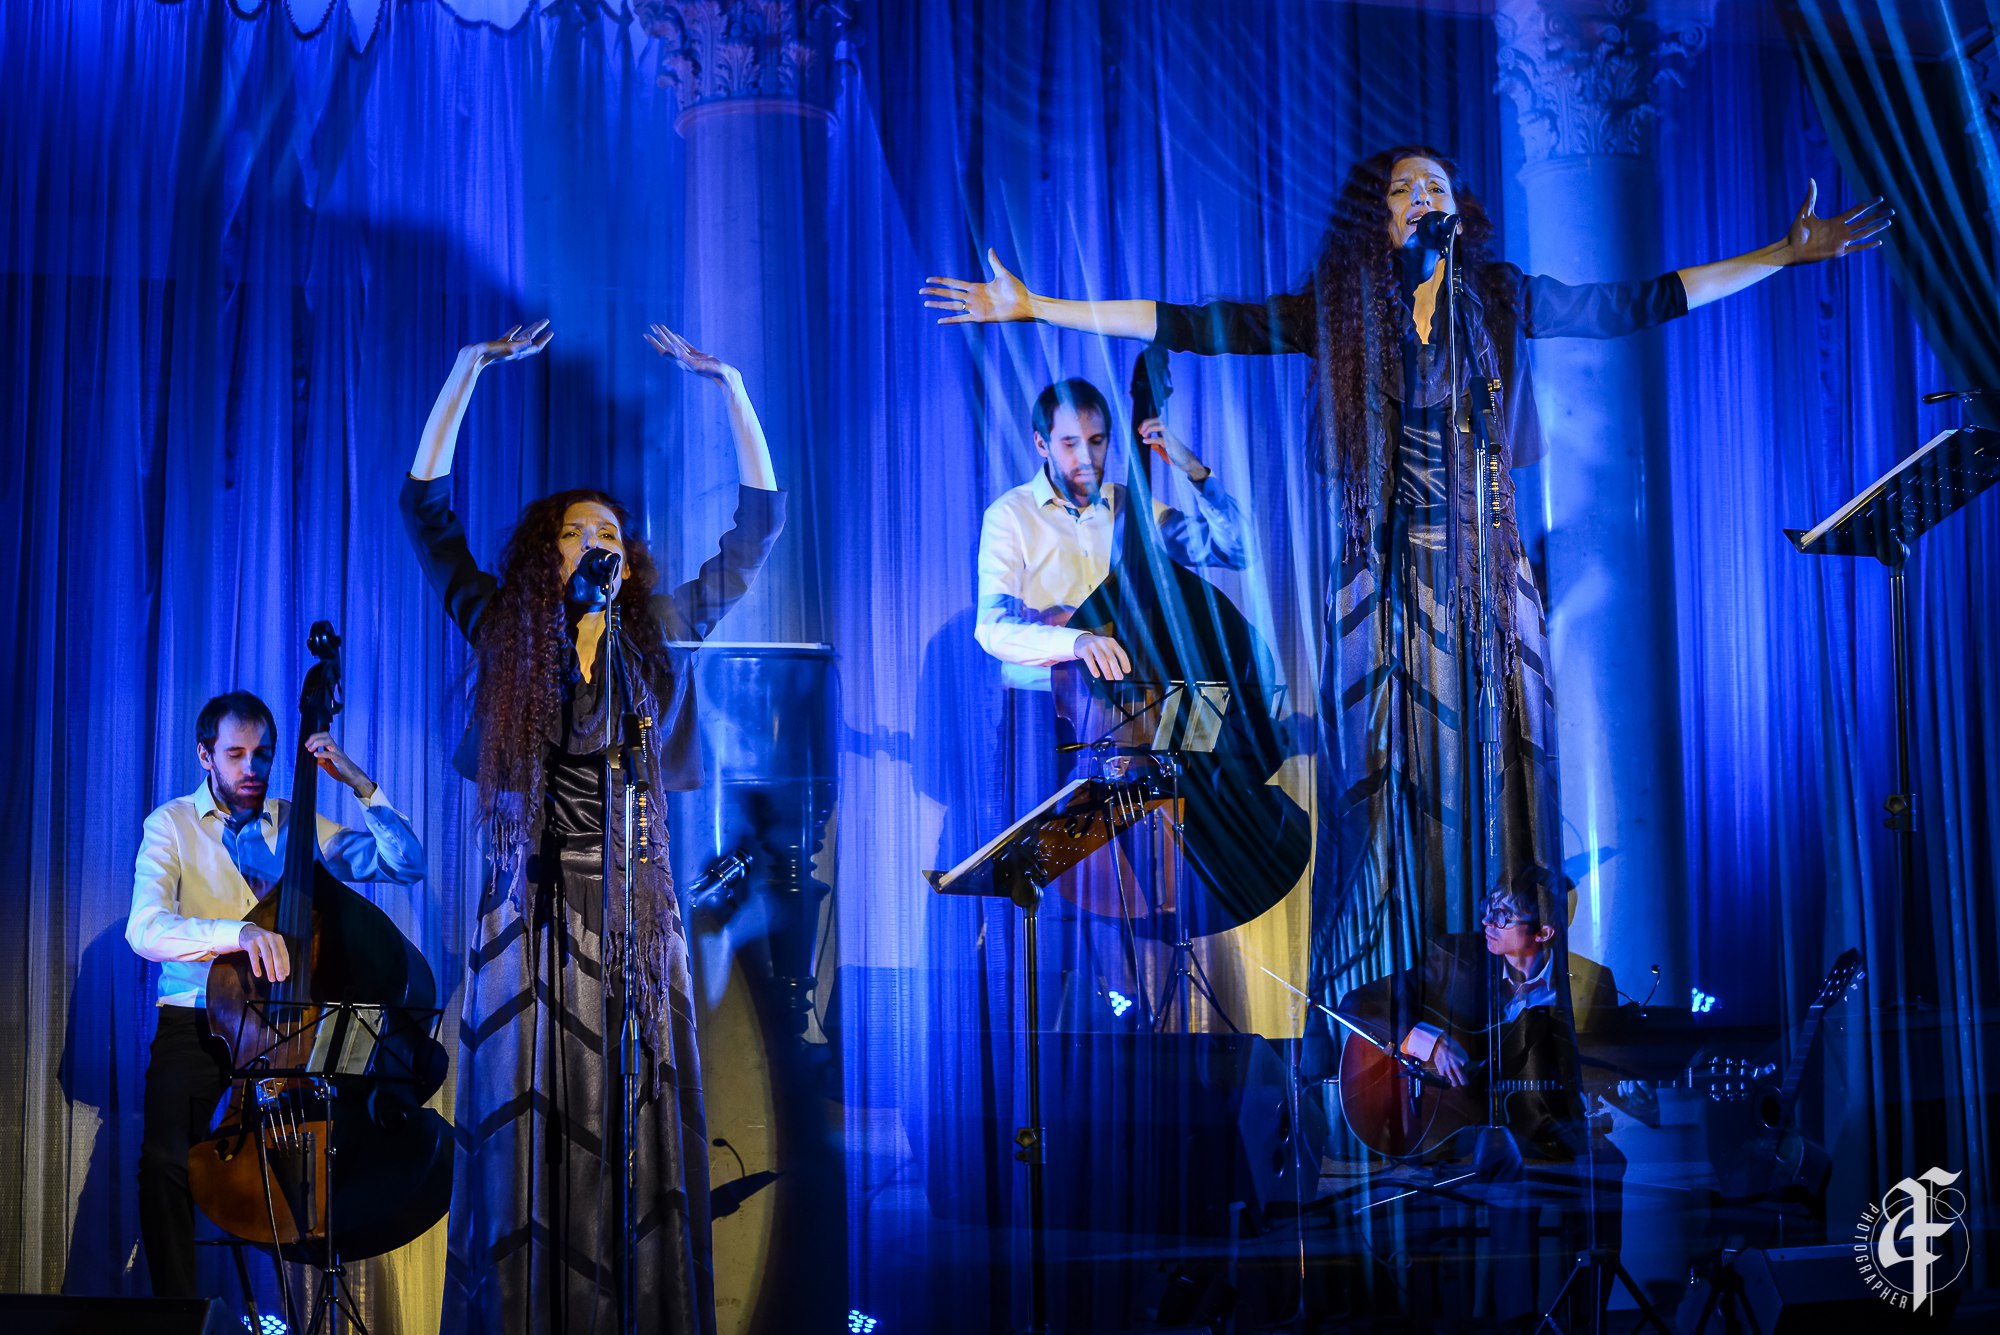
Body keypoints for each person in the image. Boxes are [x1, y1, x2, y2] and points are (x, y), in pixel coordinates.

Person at [923, 146, 1890, 1073]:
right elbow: (1192, 320)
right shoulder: (1339, 317)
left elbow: (1635, 302)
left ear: (1458, 210)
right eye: (1403, 189)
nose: (1424, 196)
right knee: (1388, 801)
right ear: (1375, 222)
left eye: (1436, 185)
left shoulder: (1500, 298)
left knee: (1500, 785)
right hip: (1383, 594)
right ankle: (1378, 1031)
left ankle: (1509, 1031)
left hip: (1487, 584)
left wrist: (1780, 254)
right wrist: (1036, 305)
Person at [402, 319, 781, 1335]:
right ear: (547, 552)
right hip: (527, 912)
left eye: (610, 532)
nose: (598, 541)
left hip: (632, 912)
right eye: (579, 530)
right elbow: (425, 512)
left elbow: (756, 529)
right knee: (529, 1137)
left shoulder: (656, 637)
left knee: (632, 1127)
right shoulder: (506, 627)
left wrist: (734, 389)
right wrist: (465, 369)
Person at [126, 690, 425, 1298]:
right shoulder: (171, 825)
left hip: (289, 1027)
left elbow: (405, 865)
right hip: (198, 1020)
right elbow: (144, 929)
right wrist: (235, 934)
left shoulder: (297, 823)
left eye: (263, 754)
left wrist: (361, 784)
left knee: (332, 1158)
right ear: (205, 755)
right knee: (163, 1163)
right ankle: (177, 1315)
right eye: (235, 754)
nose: (252, 768)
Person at [975, 375, 1250, 690]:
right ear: (1042, 444)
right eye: (1070, 443)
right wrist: (1077, 642)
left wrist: (1196, 472)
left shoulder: (1128, 506)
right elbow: (992, 627)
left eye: (1096, 441)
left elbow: (1235, 551)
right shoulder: (1008, 514)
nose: (1086, 458)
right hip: (1042, 700)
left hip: (1130, 695)